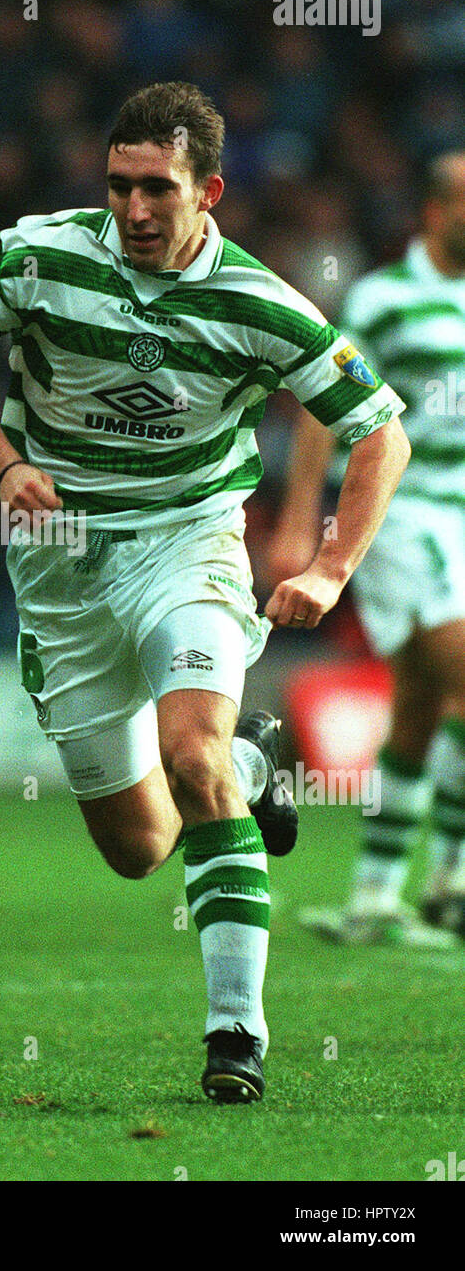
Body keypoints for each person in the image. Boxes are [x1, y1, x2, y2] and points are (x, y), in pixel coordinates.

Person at [0, 81, 409, 1103]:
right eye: (117, 187)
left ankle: (234, 1034)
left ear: (209, 191)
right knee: (138, 846)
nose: (134, 211)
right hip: (60, 570)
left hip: (188, 544)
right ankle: (247, 755)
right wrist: (5, 466)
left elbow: (377, 428)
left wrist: (327, 565)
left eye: (157, 190)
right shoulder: (36, 258)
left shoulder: (258, 303)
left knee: (188, 758)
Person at [268, 151, 465, 948]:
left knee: (422, 707)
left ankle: (379, 898)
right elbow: (325, 405)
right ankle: (454, 882)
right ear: (433, 211)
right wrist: (296, 521)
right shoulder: (385, 299)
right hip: (405, 516)